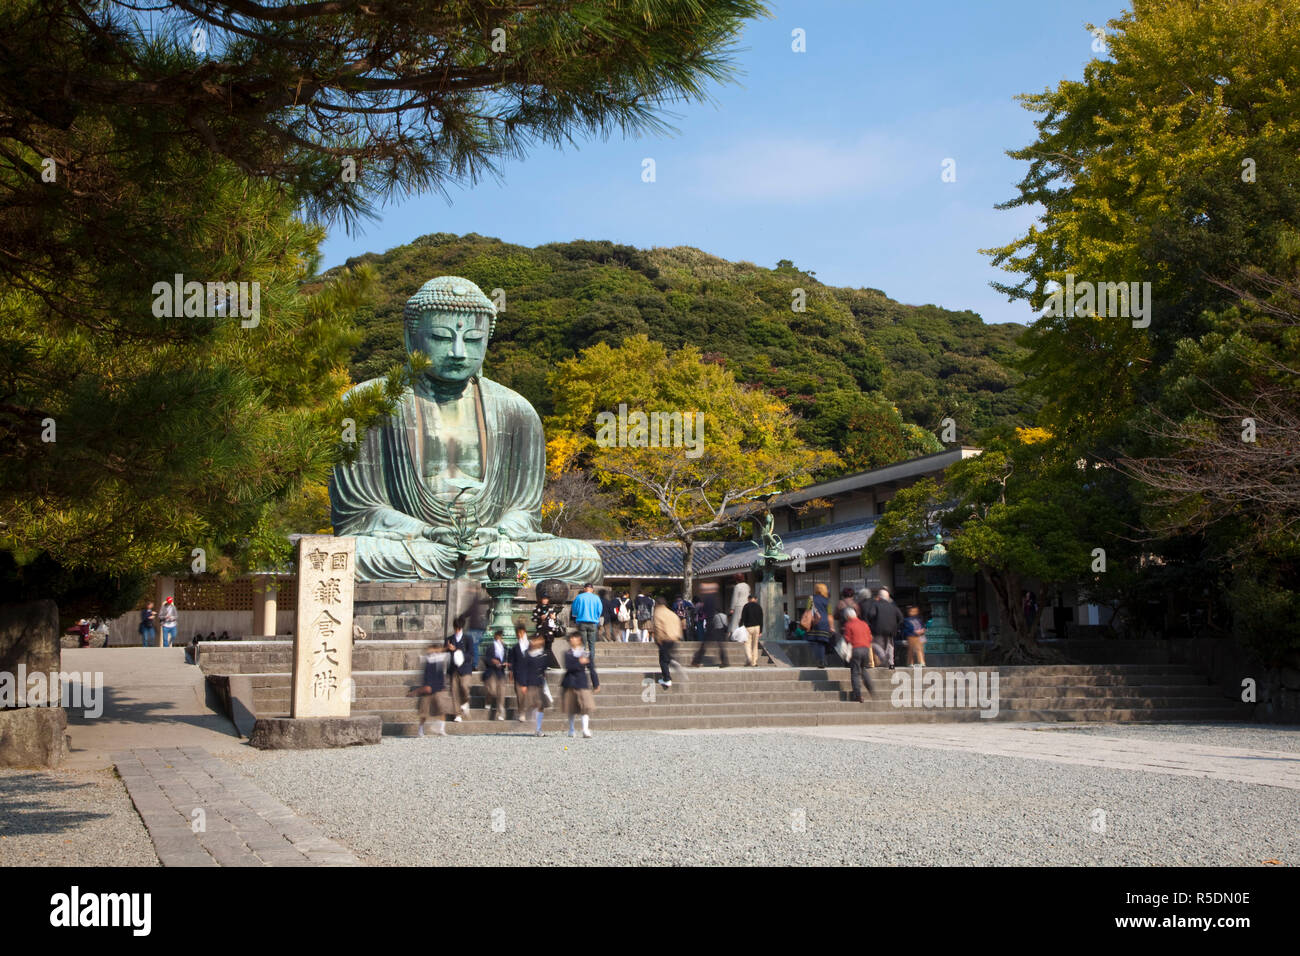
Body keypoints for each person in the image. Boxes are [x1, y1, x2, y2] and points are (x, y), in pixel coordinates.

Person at [561, 632, 600, 738]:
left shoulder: (585, 653)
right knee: (571, 708)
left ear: (579, 639)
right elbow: (569, 666)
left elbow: (592, 669)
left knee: (585, 707)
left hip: (582, 682)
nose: (572, 640)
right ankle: (571, 729)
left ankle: (585, 729)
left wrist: (596, 683)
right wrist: (579, 662)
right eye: (571, 638)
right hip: (570, 682)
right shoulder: (568, 653)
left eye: (574, 637)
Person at [414, 642, 453, 737]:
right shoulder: (428, 659)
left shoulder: (440, 659)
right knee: (424, 711)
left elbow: (441, 674)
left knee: (442, 709)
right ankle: (420, 729)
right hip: (428, 687)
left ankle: (441, 729)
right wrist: (445, 648)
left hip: (438, 687)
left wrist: (442, 686)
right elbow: (426, 675)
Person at [516, 630, 551, 736]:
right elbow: (523, 670)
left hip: (540, 682)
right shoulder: (527, 654)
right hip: (530, 682)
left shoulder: (544, 654)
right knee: (533, 705)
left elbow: (544, 669)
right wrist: (523, 684)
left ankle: (538, 728)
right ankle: (534, 725)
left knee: (540, 705)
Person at [446, 619, 478, 720]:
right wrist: (447, 648)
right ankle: (457, 714)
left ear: (461, 628)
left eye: (459, 628)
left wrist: (456, 650)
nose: (457, 630)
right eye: (456, 628)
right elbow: (445, 654)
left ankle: (465, 702)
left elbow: (471, 655)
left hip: (465, 668)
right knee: (454, 691)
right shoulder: (449, 639)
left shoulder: (468, 639)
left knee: (464, 686)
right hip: (453, 669)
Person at [842, 606, 875, 702]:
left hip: (856, 649)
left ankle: (858, 695)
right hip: (866, 649)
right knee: (863, 670)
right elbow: (870, 637)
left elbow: (847, 638)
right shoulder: (864, 624)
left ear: (848, 616)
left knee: (855, 672)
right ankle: (871, 689)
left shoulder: (849, 625)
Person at [867, 588, 903, 670]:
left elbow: (871, 615)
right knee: (890, 646)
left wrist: (872, 624)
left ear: (879, 597)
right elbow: (901, 618)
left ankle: (883, 656)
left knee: (875, 644)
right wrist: (895, 625)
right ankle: (891, 663)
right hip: (891, 629)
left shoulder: (875, 605)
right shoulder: (893, 606)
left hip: (878, 629)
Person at [651, 597, 684, 687]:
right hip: (674, 637)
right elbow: (678, 623)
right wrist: (678, 636)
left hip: (664, 638)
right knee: (668, 656)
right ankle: (673, 660)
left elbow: (658, 627)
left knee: (663, 661)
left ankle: (667, 679)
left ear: (657, 604)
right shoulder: (671, 613)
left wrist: (658, 639)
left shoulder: (658, 613)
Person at [482, 628, 510, 720]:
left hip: (500, 672)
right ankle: (488, 701)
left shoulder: (505, 648)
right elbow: (486, 659)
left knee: (501, 693)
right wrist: (492, 661)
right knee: (492, 690)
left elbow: (506, 659)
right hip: (491, 672)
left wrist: (505, 663)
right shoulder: (490, 647)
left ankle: (500, 712)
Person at [570, 583, 602, 660]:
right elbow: (599, 610)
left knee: (582, 644)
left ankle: (583, 661)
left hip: (582, 621)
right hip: (593, 622)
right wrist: (596, 617)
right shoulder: (596, 598)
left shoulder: (579, 597)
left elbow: (574, 609)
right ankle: (591, 662)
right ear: (592, 589)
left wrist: (576, 615)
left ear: (584, 589)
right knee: (592, 644)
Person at [805, 583, 831, 666]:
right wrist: (831, 626)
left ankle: (818, 660)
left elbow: (808, 610)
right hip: (825, 623)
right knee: (822, 642)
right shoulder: (827, 600)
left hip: (814, 622)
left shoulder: (811, 598)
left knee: (813, 641)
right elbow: (829, 614)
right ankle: (822, 659)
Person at [532, 595, 562, 667]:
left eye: (546, 599)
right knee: (540, 648)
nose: (545, 601)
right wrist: (540, 618)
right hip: (541, 630)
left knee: (548, 648)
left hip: (549, 631)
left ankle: (552, 664)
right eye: (544, 599)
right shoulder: (537, 608)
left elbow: (555, 621)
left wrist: (554, 618)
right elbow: (533, 618)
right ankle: (543, 664)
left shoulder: (551, 609)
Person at [510, 623, 531, 722]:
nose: (519, 635)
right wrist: (511, 671)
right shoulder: (515, 648)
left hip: (529, 673)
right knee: (519, 694)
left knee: (527, 694)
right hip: (518, 673)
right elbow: (512, 661)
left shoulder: (530, 646)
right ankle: (521, 712)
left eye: (521, 633)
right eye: (518, 633)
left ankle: (528, 712)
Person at [739, 594, 764, 667]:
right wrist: (761, 630)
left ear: (748, 599)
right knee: (755, 645)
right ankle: (754, 662)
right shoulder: (759, 607)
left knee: (747, 644)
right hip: (757, 627)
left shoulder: (746, 606)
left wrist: (740, 627)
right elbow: (761, 619)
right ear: (755, 599)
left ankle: (749, 659)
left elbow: (742, 618)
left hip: (748, 627)